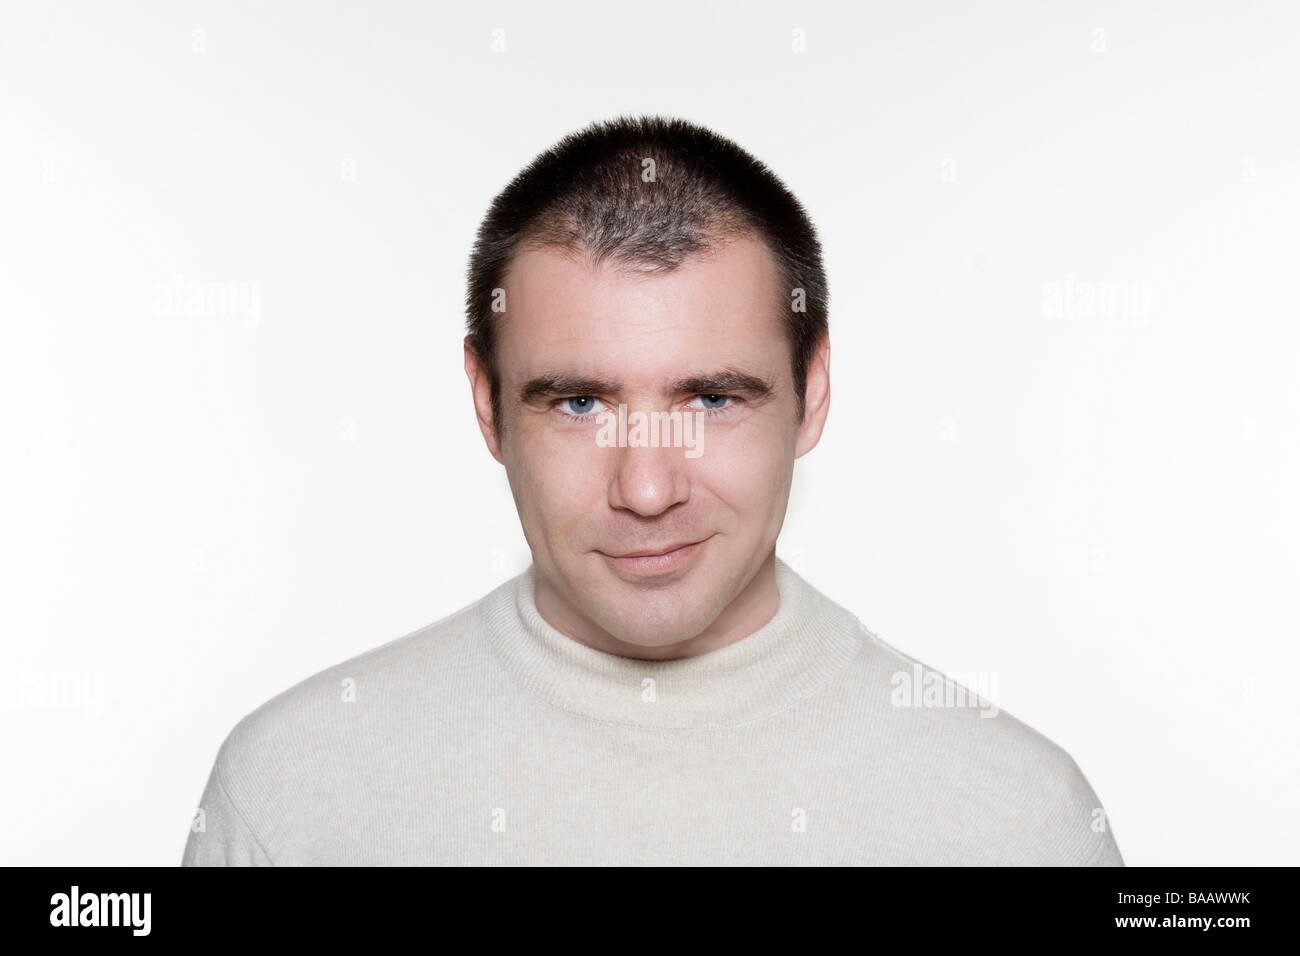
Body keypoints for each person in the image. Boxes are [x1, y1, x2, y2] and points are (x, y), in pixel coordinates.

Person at [182, 115, 1124, 865]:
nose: (645, 486)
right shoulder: (292, 792)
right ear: (486, 404)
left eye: (712, 399)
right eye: (581, 402)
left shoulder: (1018, 820)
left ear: (813, 394)